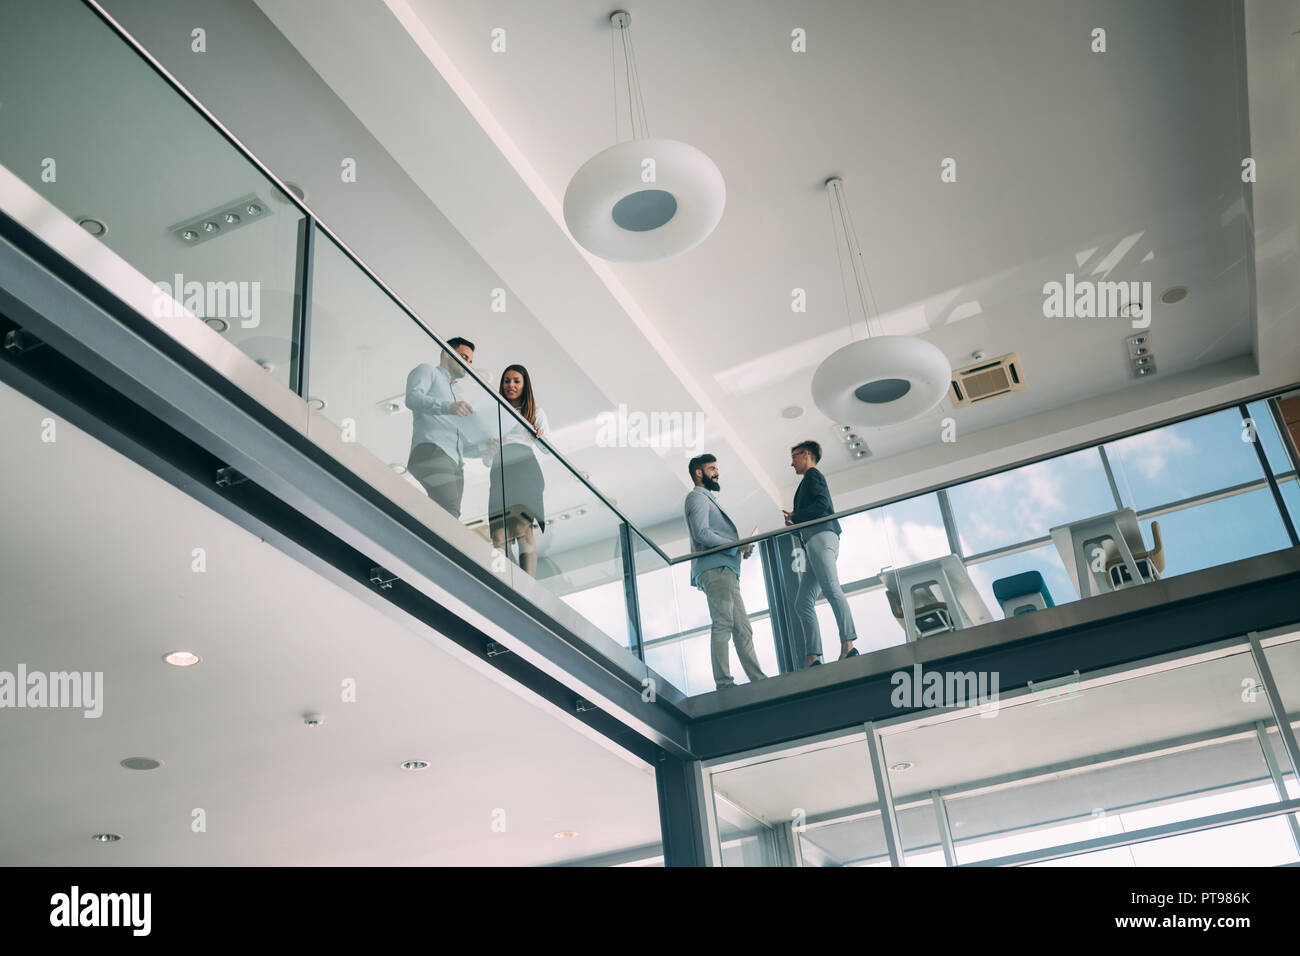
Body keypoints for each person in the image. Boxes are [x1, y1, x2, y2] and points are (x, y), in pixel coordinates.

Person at [684, 453, 768, 690]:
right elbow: (702, 533)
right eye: (712, 469)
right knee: (723, 623)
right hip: (715, 569)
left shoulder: (708, 498)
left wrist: (739, 548)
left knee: (743, 628)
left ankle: (759, 681)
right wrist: (734, 544)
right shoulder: (697, 497)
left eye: (716, 468)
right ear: (698, 473)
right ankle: (723, 683)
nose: (717, 473)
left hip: (726, 567)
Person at [784, 440, 858, 667]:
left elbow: (822, 505)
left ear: (805, 454)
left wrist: (796, 517)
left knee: (831, 588)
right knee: (802, 602)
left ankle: (849, 645)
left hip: (821, 538)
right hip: (814, 541)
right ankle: (812, 656)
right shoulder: (808, 480)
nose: (791, 463)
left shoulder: (813, 476)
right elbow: (816, 508)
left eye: (794, 457)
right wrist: (796, 520)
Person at [405, 337, 478, 518]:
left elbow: (460, 444)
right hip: (432, 451)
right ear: (447, 353)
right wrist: (448, 407)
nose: (467, 364)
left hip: (455, 464)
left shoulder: (456, 394)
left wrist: (484, 449)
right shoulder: (428, 371)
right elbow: (412, 398)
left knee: (442, 514)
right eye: (463, 357)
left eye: (470, 361)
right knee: (450, 512)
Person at [486, 364, 549, 576]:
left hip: (524, 469)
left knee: (522, 529)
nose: (510, 385)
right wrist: (489, 450)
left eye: (516, 381)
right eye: (506, 381)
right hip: (499, 470)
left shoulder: (535, 412)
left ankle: (527, 583)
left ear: (524, 385)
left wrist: (539, 435)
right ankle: (511, 581)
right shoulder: (494, 412)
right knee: (498, 537)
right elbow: (486, 459)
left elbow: (547, 449)